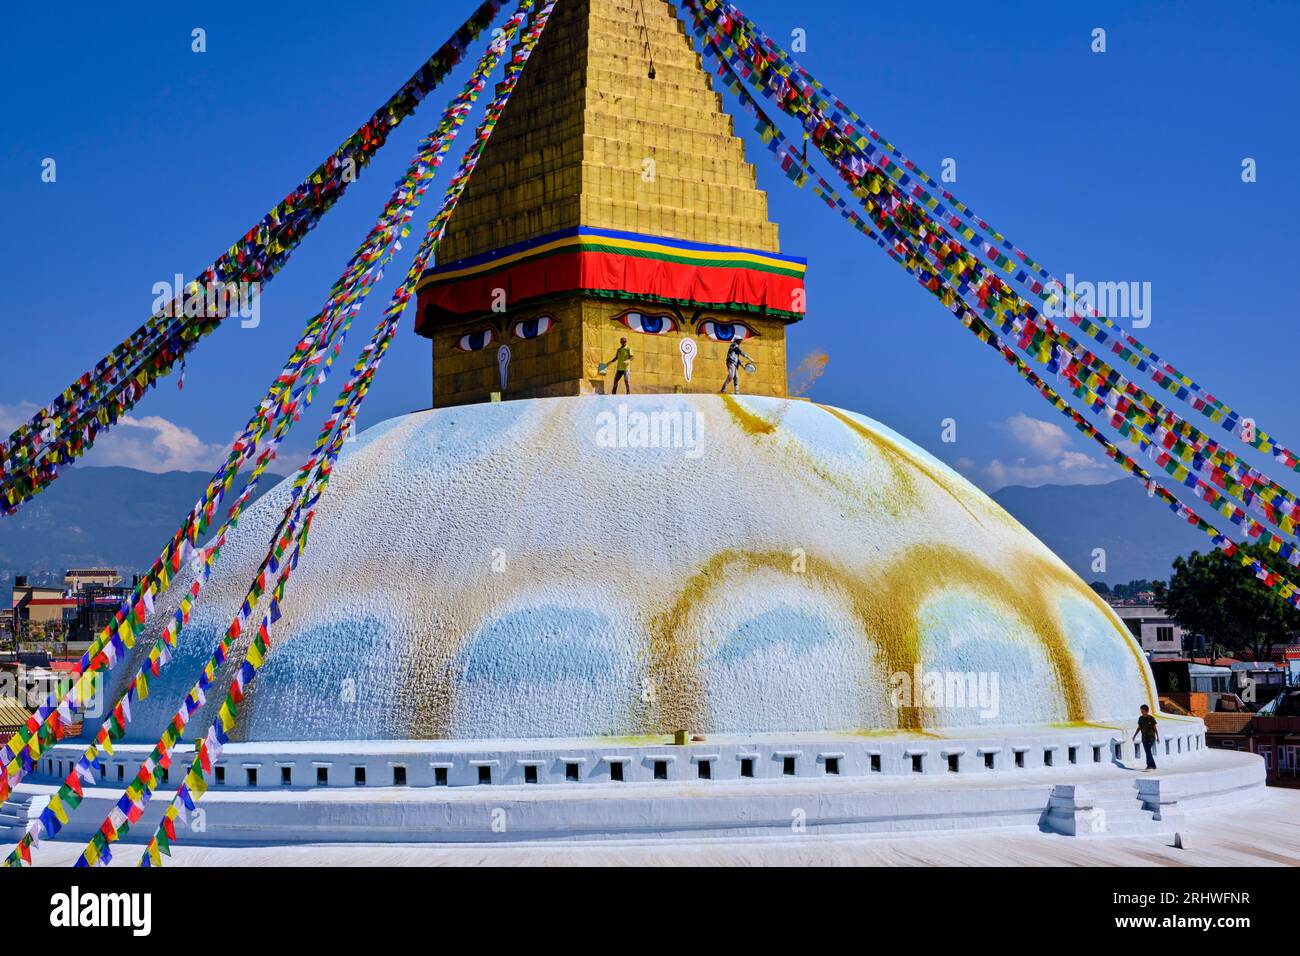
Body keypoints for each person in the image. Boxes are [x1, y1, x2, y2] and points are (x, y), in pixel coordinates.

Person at [1132, 704, 1159, 771]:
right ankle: (1153, 765)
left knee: (1148, 750)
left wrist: (1158, 737)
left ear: (1147, 711)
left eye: (1143, 711)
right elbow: (1139, 728)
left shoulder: (1151, 718)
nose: (1141, 712)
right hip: (1144, 738)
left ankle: (1149, 765)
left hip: (1151, 737)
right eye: (1141, 711)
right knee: (1147, 752)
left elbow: (1155, 728)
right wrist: (1134, 735)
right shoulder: (1140, 718)